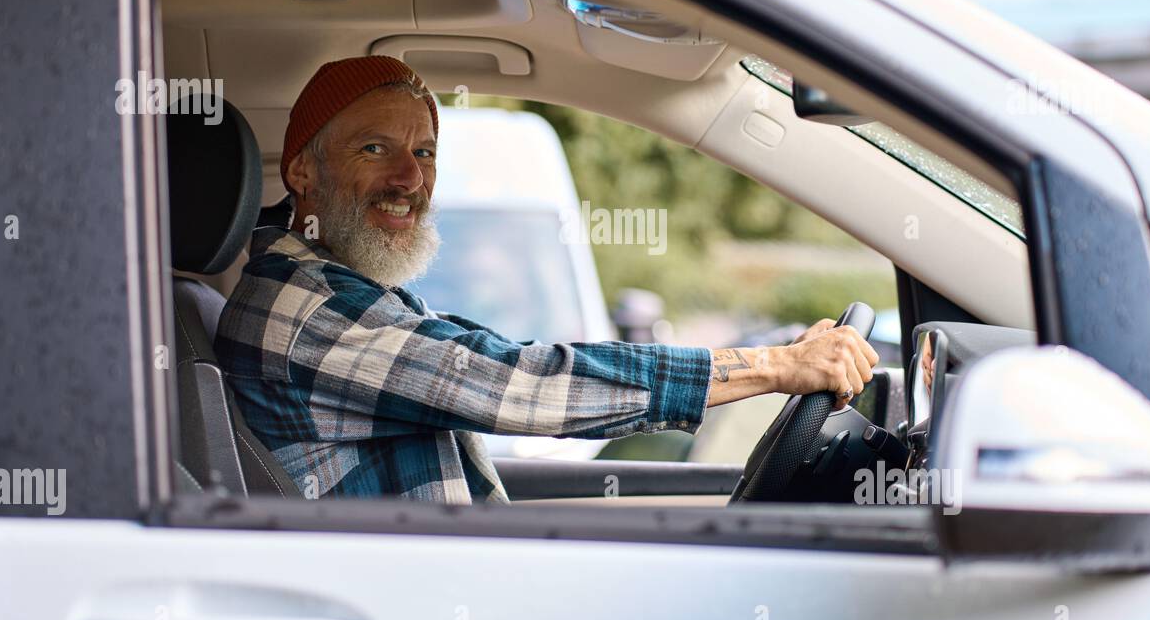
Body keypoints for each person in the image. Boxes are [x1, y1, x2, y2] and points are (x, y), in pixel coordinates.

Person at [215, 55, 878, 503]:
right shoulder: (309, 308)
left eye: (423, 152)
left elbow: (477, 356)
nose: (411, 179)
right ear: (303, 173)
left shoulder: (335, 286)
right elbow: (515, 381)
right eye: (375, 148)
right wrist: (774, 365)